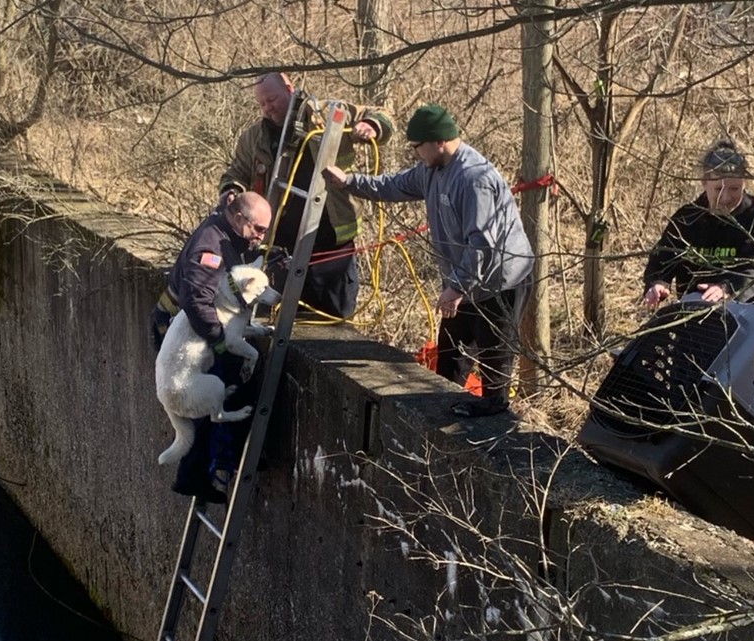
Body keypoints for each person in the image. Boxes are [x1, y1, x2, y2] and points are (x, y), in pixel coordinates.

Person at [322, 105, 534, 418]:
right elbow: (393, 186)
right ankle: (442, 405)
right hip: (464, 279)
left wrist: (456, 288)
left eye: (417, 146)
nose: (415, 153)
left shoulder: (473, 179)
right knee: (450, 352)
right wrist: (349, 181)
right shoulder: (431, 171)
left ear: (438, 142)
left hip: (501, 279)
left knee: (494, 352)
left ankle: (494, 414)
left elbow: (482, 244)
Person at [218, 72, 394, 320]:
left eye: (272, 99)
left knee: (332, 318)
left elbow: (383, 115)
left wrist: (371, 126)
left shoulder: (329, 115)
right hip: (282, 246)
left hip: (330, 242)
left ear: (289, 88)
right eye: (262, 104)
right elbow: (236, 172)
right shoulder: (254, 138)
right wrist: (231, 192)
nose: (268, 108)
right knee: (280, 316)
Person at [150, 192, 273, 503]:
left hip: (191, 324)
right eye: (258, 229)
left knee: (214, 393)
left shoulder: (225, 229)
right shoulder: (211, 248)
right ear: (238, 218)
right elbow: (196, 300)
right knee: (217, 391)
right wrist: (219, 340)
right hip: (186, 326)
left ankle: (213, 466)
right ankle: (202, 473)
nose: (261, 236)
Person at [642, 140, 754, 309]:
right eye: (718, 189)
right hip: (695, 312)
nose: (726, 198)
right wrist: (658, 283)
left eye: (734, 189)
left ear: (745, 183)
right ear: (704, 182)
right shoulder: (686, 219)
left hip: (749, 313)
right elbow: (662, 258)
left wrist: (728, 288)